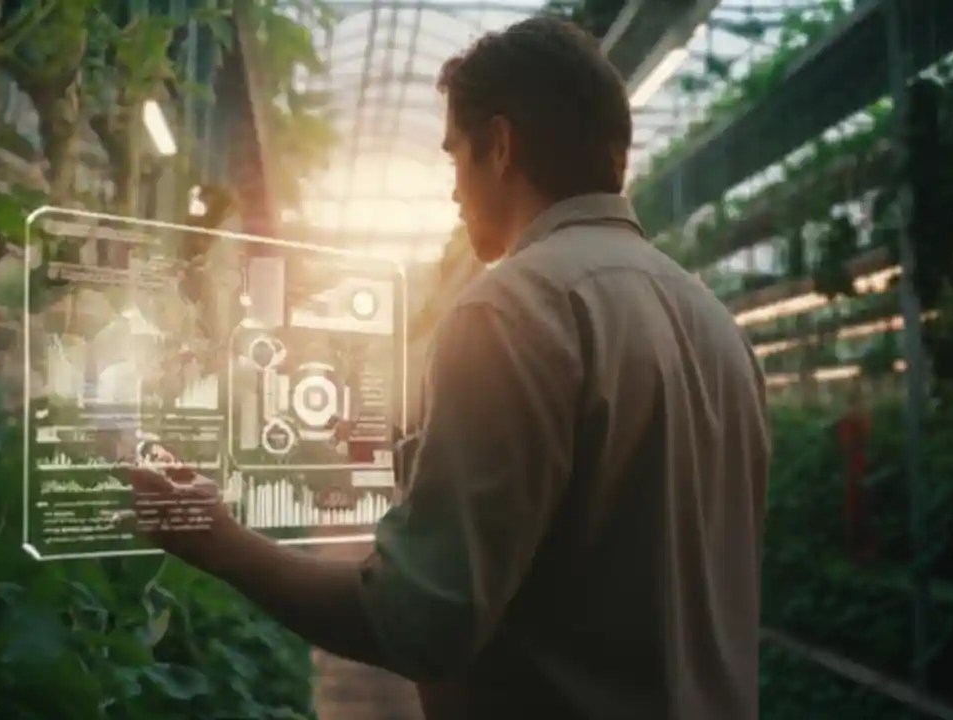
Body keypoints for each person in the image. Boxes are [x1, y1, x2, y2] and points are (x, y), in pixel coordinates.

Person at [128, 16, 770, 720]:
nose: (454, 190)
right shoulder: (718, 328)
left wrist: (220, 542)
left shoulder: (514, 307)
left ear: (499, 145)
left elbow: (419, 623)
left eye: (454, 154)